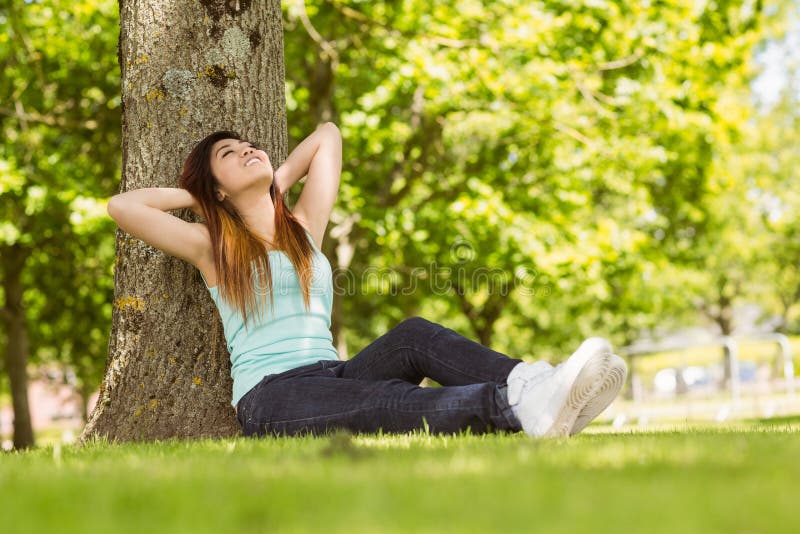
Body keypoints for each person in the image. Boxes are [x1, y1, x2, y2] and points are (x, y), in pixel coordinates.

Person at [106, 122, 627, 439]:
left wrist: (273, 183)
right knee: (390, 404)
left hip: (334, 372)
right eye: (229, 155)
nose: (247, 150)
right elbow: (123, 207)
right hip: (272, 397)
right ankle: (519, 409)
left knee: (415, 334)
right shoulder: (212, 248)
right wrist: (202, 198)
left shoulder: (303, 229)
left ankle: (533, 385)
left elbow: (327, 137)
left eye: (249, 145)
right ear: (216, 188)